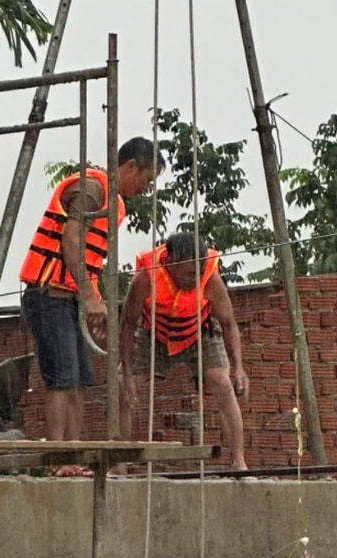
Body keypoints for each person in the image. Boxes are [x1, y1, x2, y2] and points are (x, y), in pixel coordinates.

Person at [18, 137, 164, 477]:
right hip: (49, 293)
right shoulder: (92, 190)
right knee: (62, 379)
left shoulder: (111, 200)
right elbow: (72, 240)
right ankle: (58, 459)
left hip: (69, 296)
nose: (146, 188)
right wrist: (89, 296)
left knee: (80, 378)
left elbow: (89, 259)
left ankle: (73, 456)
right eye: (147, 179)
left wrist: (90, 300)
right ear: (131, 167)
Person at [118, 232, 248, 470]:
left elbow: (229, 324)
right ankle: (119, 463)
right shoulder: (146, 279)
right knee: (125, 388)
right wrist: (126, 373)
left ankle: (239, 461)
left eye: (199, 272)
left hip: (198, 330)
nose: (195, 279)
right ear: (170, 264)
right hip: (154, 333)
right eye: (189, 273)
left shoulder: (210, 280)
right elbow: (127, 323)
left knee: (222, 381)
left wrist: (238, 367)